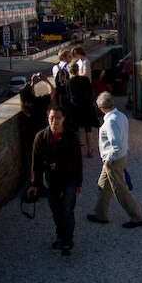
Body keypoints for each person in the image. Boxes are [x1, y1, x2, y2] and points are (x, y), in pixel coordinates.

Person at [27, 106, 82, 256]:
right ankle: (60, 236)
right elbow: (36, 162)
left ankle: (67, 241)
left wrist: (79, 182)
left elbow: (78, 161)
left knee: (67, 211)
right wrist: (34, 184)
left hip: (69, 179)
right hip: (50, 180)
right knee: (56, 211)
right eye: (51, 118)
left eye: (57, 118)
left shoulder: (71, 137)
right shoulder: (41, 137)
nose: (54, 121)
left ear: (63, 119)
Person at [87, 91, 142, 228]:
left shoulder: (110, 122)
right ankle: (99, 214)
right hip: (118, 157)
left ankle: (137, 217)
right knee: (103, 185)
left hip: (112, 161)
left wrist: (109, 159)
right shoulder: (121, 116)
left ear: (101, 108)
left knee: (120, 190)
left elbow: (116, 145)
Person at [19, 73, 56, 183]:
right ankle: (45, 183)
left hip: (30, 137)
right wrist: (46, 81)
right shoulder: (39, 103)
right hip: (42, 135)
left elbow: (28, 94)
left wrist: (32, 84)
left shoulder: (25, 107)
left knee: (33, 160)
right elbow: (52, 93)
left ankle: (34, 182)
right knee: (46, 159)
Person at [66, 61, 100, 158]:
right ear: (78, 70)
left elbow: (68, 94)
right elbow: (90, 93)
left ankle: (77, 152)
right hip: (86, 106)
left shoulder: (68, 82)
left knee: (75, 130)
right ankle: (90, 151)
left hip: (74, 107)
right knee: (88, 129)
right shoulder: (85, 80)